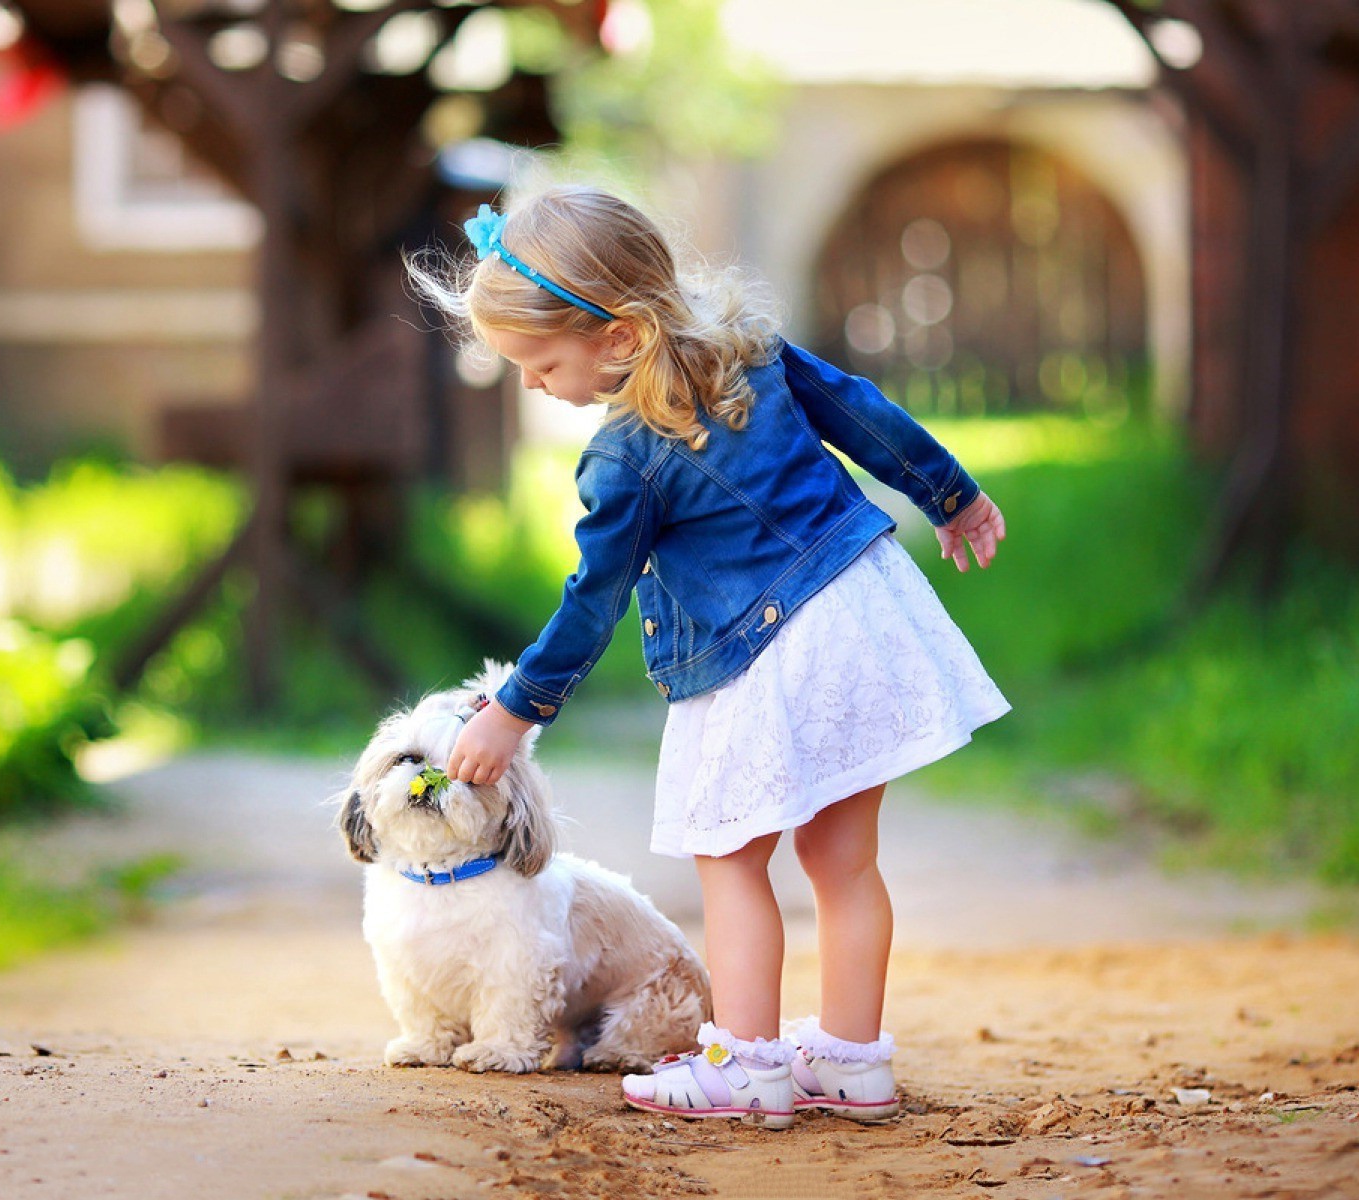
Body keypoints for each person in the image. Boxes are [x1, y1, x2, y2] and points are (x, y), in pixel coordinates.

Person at [413, 186, 1009, 1130]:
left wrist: (514, 708)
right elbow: (865, 413)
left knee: (729, 857)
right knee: (842, 858)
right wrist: (953, 496)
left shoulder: (624, 461)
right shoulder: (754, 353)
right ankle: (852, 1061)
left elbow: (593, 603)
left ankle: (746, 1065)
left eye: (538, 361)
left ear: (614, 338)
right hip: (864, 613)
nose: (529, 383)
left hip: (772, 648)